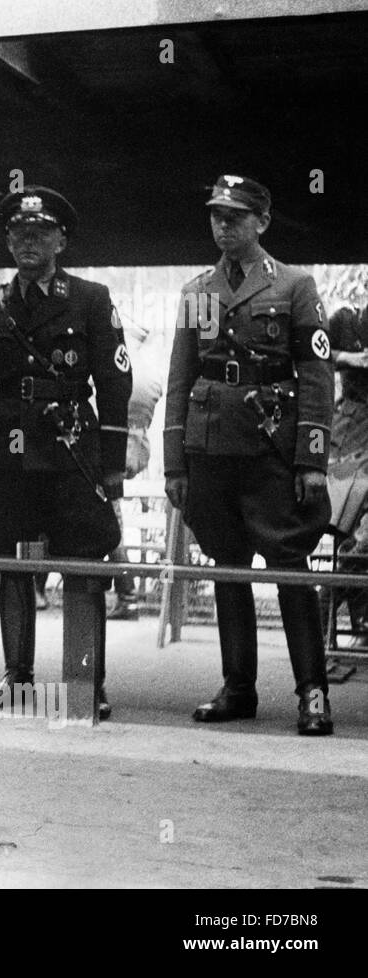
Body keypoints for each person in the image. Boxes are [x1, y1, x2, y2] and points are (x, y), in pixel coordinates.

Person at [164, 175, 334, 735]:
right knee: (227, 565)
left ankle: (313, 692)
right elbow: (181, 376)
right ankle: (238, 687)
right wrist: (175, 463)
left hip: (270, 448)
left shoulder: (294, 285)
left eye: (235, 217)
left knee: (289, 565)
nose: (223, 225)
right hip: (211, 449)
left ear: (262, 221)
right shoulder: (197, 291)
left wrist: (311, 460)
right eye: (216, 215)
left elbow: (316, 375)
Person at [0, 187, 130, 721]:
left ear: (61, 241)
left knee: (83, 561)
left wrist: (112, 464)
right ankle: (17, 677)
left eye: (40, 233)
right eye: (19, 233)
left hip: (70, 450)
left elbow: (115, 383)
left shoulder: (91, 298)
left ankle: (85, 681)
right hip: (7, 453)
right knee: (13, 564)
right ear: (8, 241)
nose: (28, 241)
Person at [107, 315, 163, 621]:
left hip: (107, 450)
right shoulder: (146, 368)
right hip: (132, 449)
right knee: (110, 516)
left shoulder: (118, 361)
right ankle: (125, 595)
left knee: (110, 519)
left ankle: (127, 596)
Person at [326, 303, 368, 646]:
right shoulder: (346, 320)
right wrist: (350, 358)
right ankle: (353, 621)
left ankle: (331, 602)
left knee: (361, 537)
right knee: (350, 530)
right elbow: (313, 354)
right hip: (351, 433)